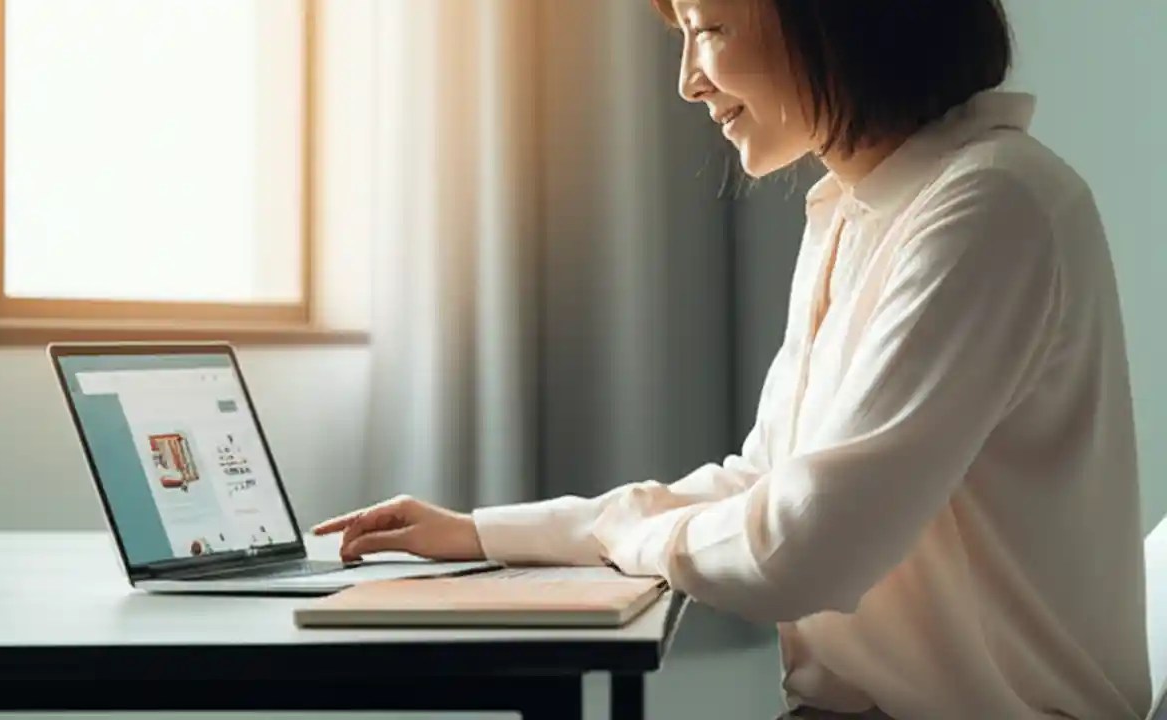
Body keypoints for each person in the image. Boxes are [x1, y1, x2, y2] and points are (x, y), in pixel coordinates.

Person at [314, 1, 1151, 718]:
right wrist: (483, 532)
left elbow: (801, 547)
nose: (688, 79)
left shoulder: (990, 206)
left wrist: (623, 533)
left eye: (708, 27)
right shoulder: (860, 210)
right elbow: (767, 481)